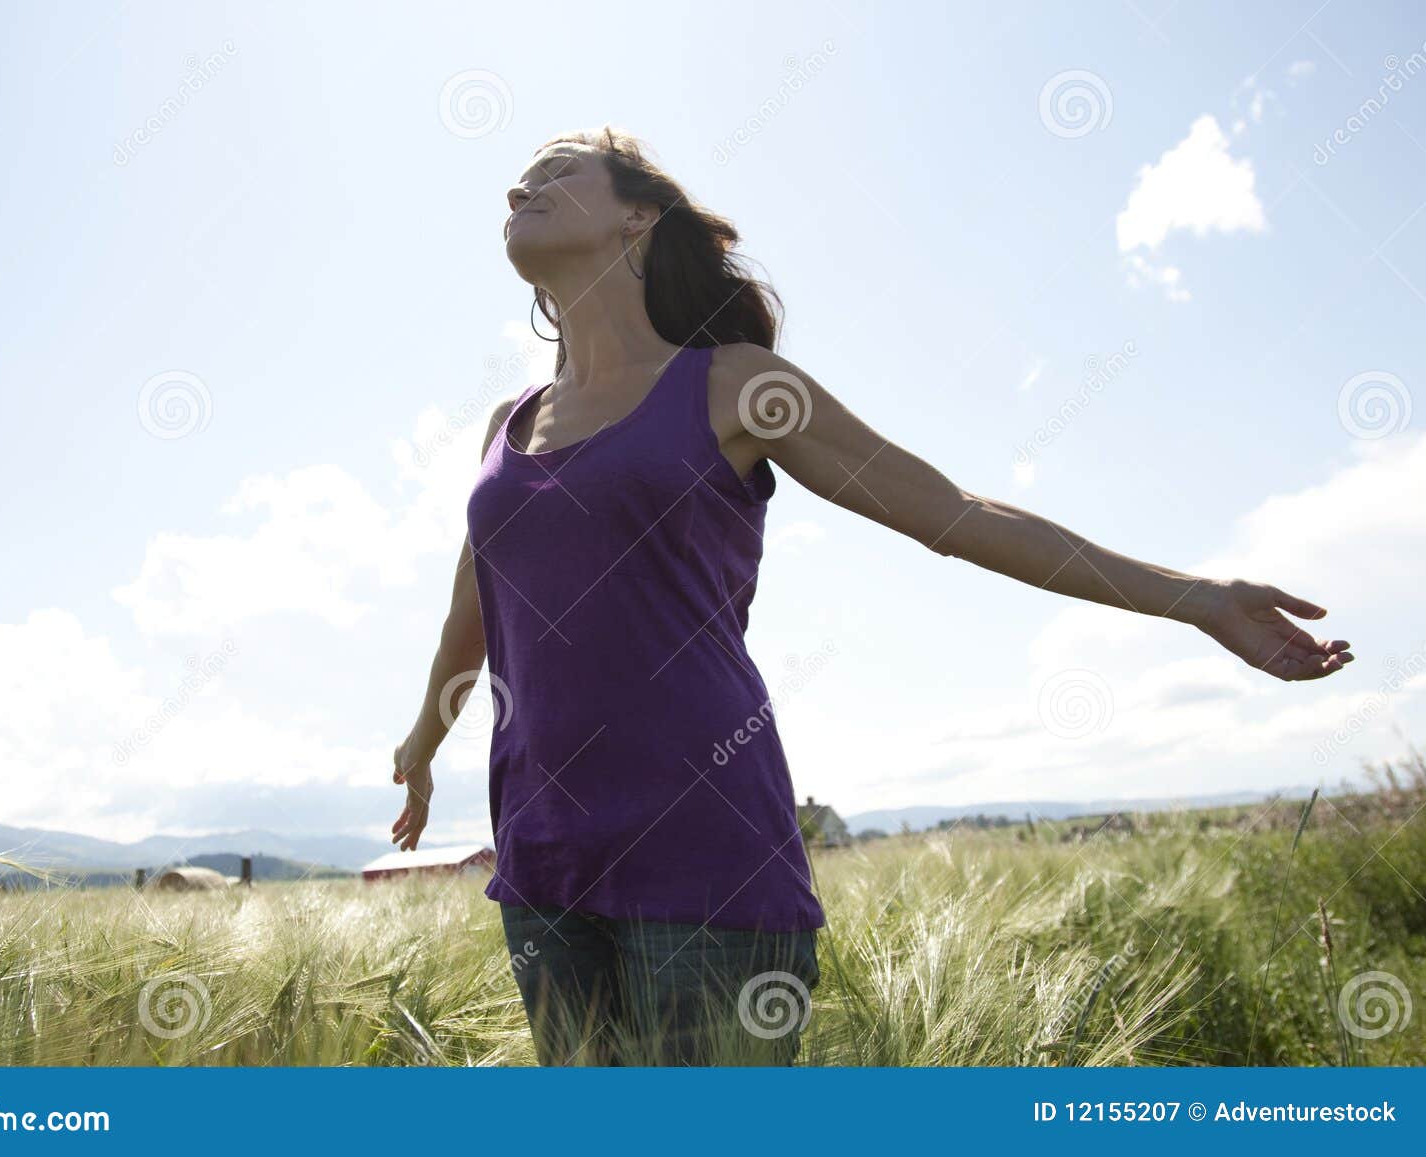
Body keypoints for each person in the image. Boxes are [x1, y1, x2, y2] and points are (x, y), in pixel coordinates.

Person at [391, 126, 1354, 1067]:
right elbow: (472, 605)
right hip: (544, 854)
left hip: (700, 855)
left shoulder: (734, 386)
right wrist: (424, 741)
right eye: (517, 183)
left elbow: (955, 514)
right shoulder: (508, 425)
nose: (520, 191)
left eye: (556, 172)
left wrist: (1197, 598)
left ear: (638, 217)